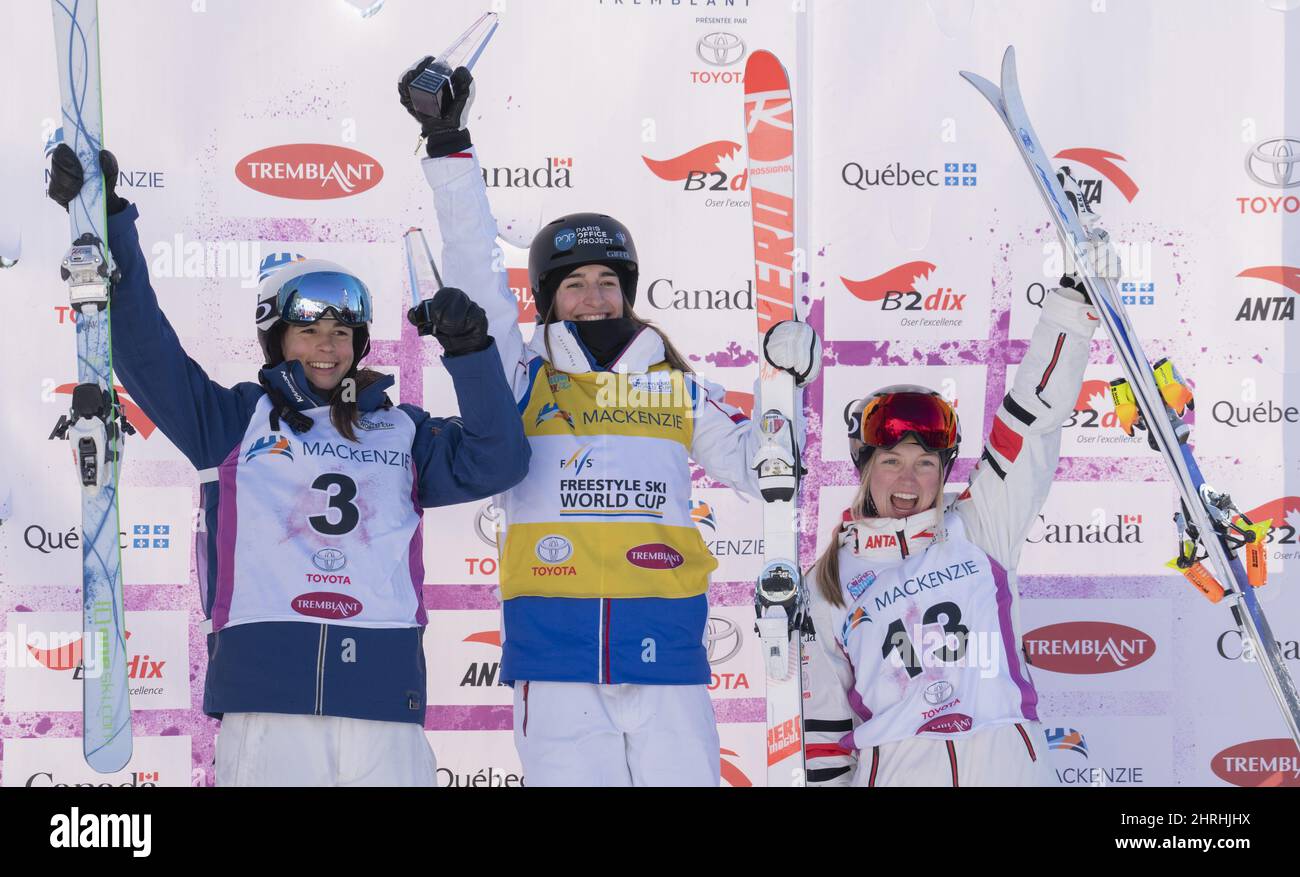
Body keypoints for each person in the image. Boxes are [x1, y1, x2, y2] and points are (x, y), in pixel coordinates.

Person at [47, 144, 530, 786]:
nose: (327, 346)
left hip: (384, 701)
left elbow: (498, 461)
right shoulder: (230, 422)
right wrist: (110, 221)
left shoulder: (402, 428)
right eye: (308, 331)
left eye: (343, 333)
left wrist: (471, 352)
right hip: (266, 700)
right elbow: (144, 351)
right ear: (277, 340)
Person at [399, 59, 822, 786]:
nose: (594, 299)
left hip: (667, 645)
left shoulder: (676, 388)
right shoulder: (522, 379)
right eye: (574, 285)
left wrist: (784, 389)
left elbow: (765, 469)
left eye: (607, 283)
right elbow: (473, 260)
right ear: (546, 300)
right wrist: (448, 146)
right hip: (553, 650)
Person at [802, 279, 1099, 786]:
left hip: (1007, 766)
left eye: (925, 463)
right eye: (891, 460)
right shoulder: (827, 581)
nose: (907, 479)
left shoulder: (980, 527)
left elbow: (1030, 423)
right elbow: (824, 729)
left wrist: (1069, 312)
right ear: (865, 469)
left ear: (943, 473)